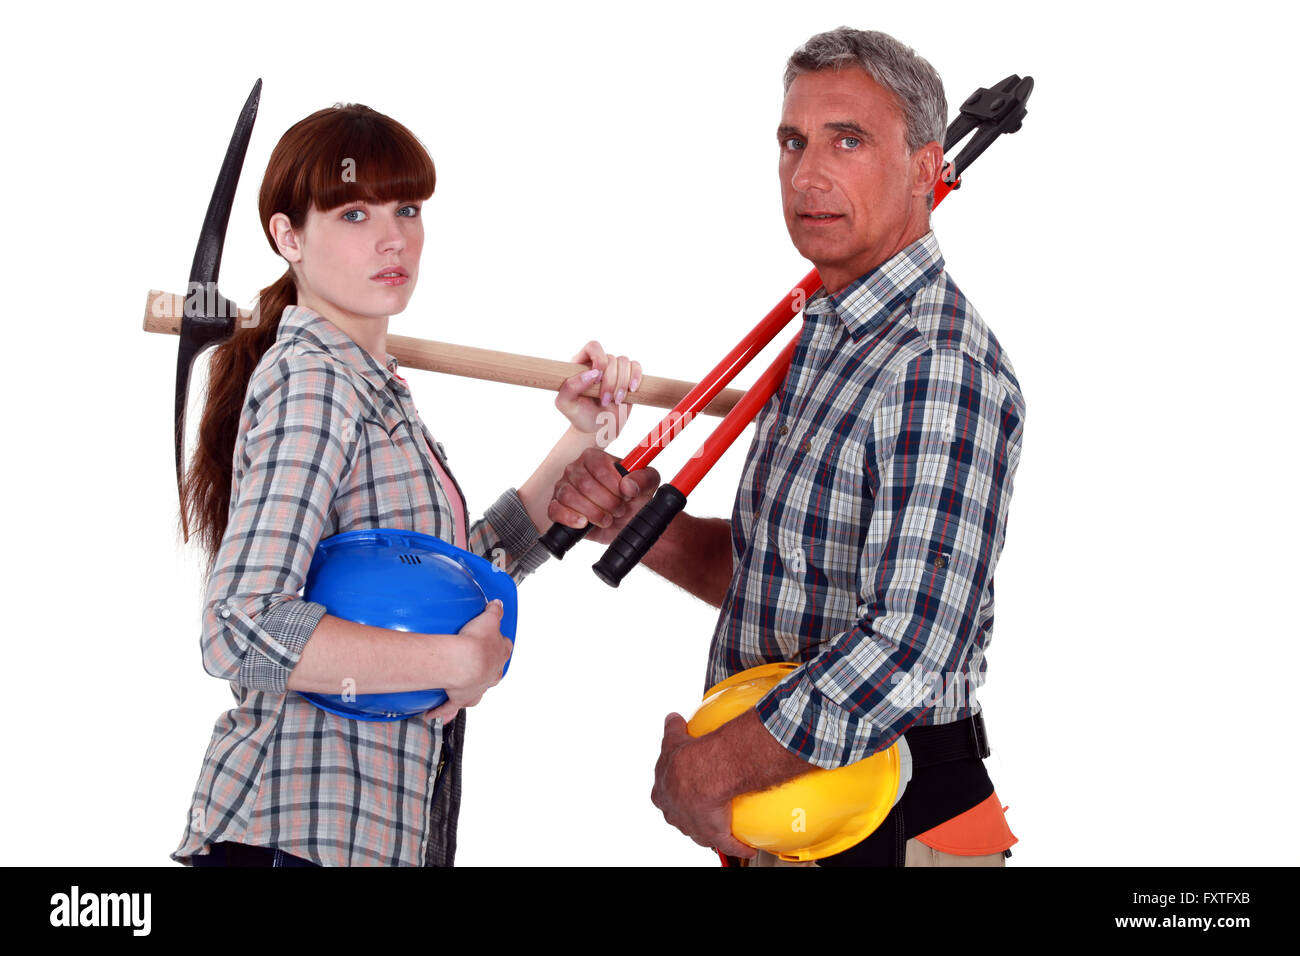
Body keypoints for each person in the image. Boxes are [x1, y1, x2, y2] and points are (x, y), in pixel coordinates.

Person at [548, 27, 1025, 867]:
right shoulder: (827, 339)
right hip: (793, 804)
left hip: (896, 815)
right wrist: (640, 524)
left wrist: (716, 769)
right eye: (793, 142)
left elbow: (910, 648)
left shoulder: (938, 365)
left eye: (849, 140)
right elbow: (790, 578)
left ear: (926, 167)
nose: (808, 175)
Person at [171, 102, 640, 867]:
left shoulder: (370, 387)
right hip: (294, 836)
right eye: (354, 213)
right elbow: (241, 625)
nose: (394, 237)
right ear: (288, 237)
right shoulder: (315, 382)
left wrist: (581, 434)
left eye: (408, 208)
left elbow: (450, 565)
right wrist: (452, 665)